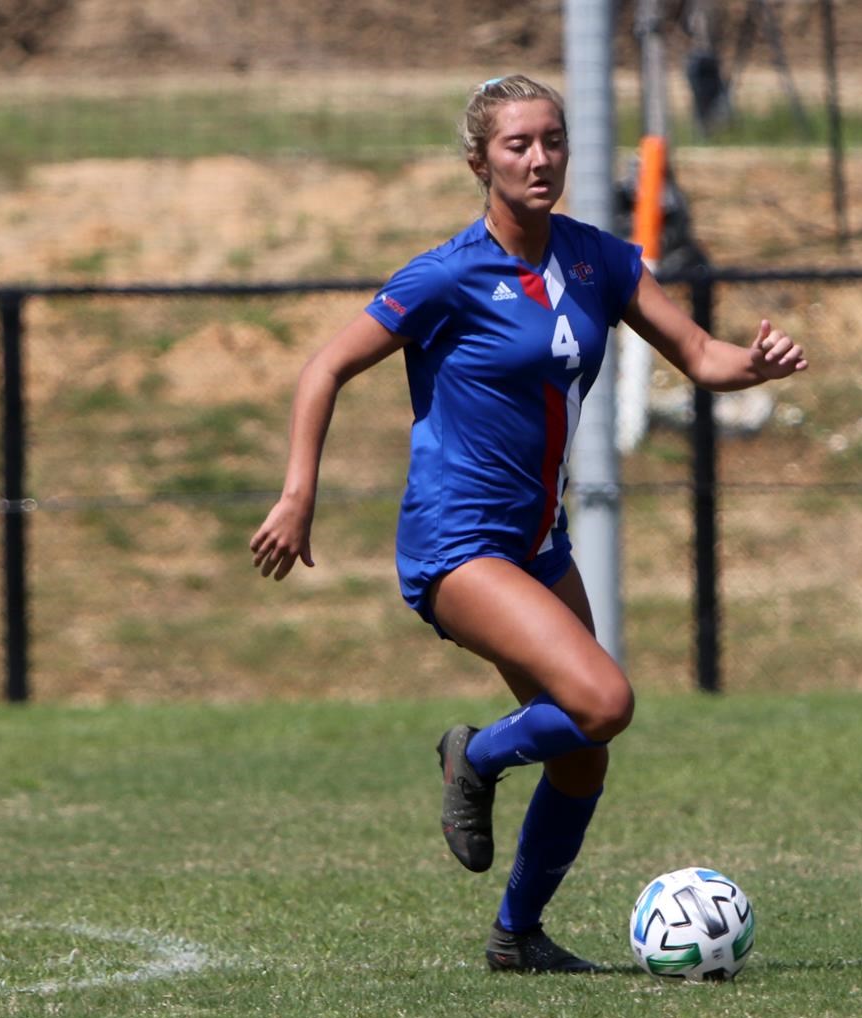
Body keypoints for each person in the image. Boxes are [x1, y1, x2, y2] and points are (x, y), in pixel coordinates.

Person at [249, 75, 808, 968]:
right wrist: (296, 492)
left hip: (535, 546)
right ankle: (473, 755)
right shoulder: (447, 274)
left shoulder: (599, 260)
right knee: (604, 701)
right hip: (457, 546)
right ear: (480, 161)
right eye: (517, 145)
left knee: (584, 751)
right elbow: (324, 367)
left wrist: (758, 363)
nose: (540, 158)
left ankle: (517, 936)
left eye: (552, 140)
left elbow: (701, 356)